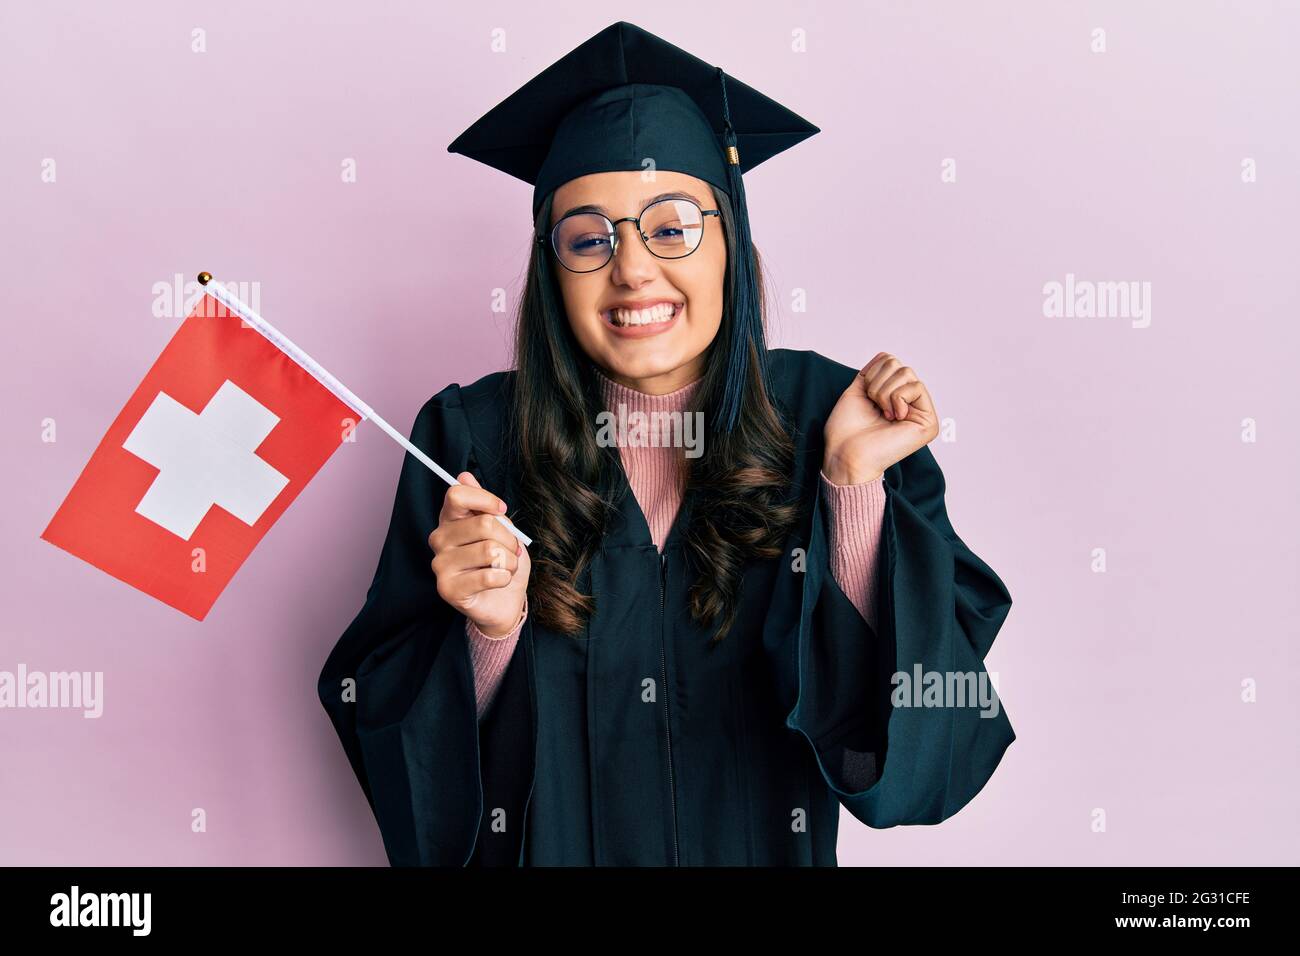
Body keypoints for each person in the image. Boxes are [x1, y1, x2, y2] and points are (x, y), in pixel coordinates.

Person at [317, 21, 1015, 866]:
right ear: (551, 271)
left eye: (673, 225)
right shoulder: (470, 442)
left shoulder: (831, 416)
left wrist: (851, 491)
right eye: (588, 238)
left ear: (729, 244)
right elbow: (406, 770)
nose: (633, 269)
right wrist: (489, 635)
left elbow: (926, 750)